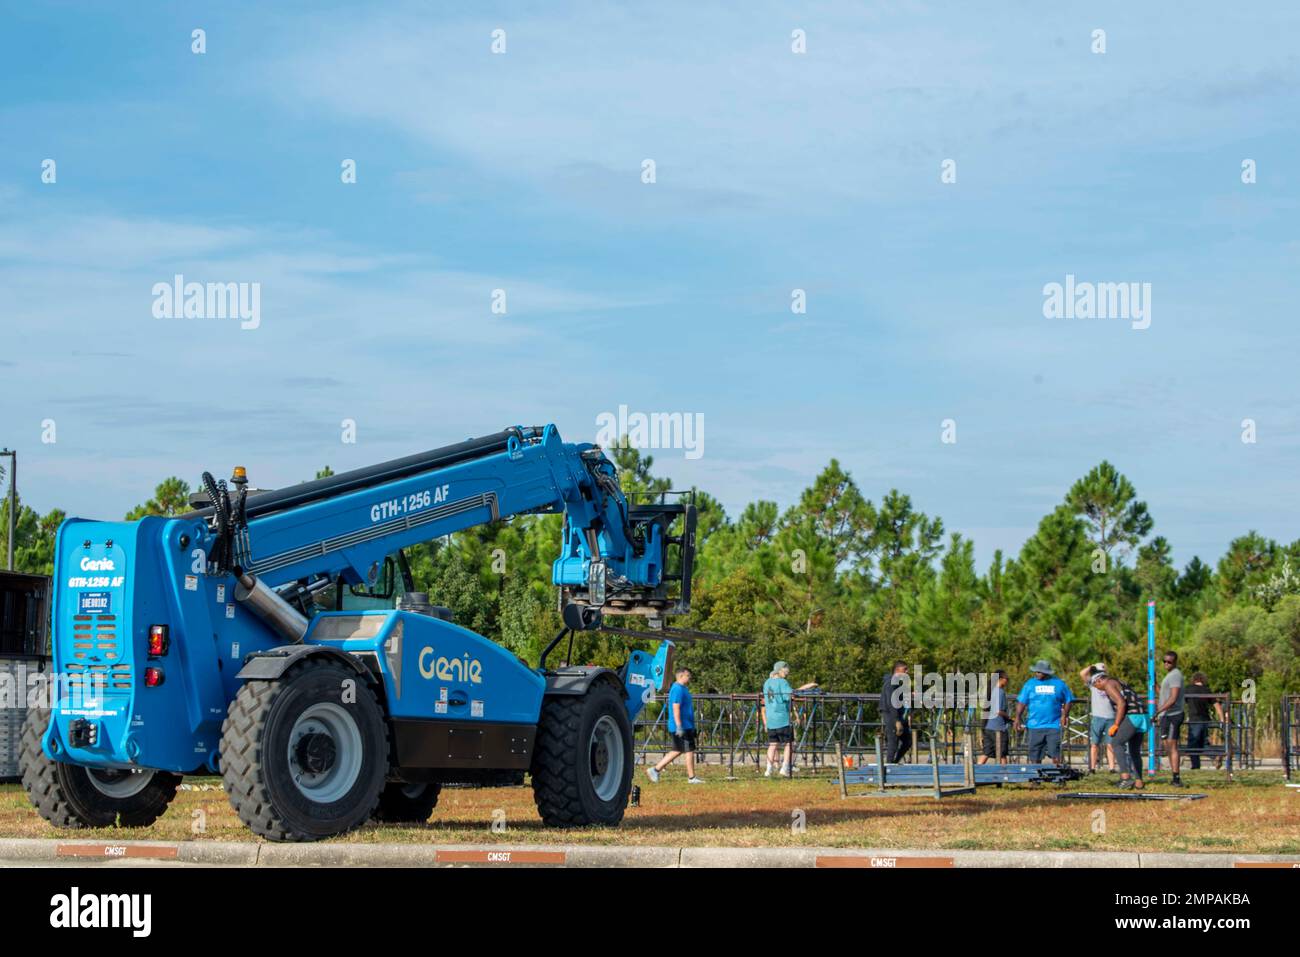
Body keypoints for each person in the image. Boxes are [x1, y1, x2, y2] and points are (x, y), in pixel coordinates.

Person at [1082, 666, 1148, 789]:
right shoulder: (1118, 681)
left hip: (1133, 715)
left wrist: (1116, 724)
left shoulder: (1108, 684)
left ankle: (1125, 778)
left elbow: (1121, 703)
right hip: (1142, 715)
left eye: (1096, 686)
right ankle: (1139, 782)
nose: (1098, 689)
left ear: (1099, 680)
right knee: (1134, 751)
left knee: (1116, 743)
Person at [761, 661, 818, 777]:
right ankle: (785, 768)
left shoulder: (767, 683)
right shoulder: (783, 682)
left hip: (771, 719)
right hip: (782, 718)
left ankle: (768, 770)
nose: (787, 673)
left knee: (772, 745)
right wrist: (805, 688)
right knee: (789, 744)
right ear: (780, 670)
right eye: (786, 670)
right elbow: (790, 695)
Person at [646, 667, 702, 784]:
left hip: (686, 725)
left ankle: (655, 770)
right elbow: (675, 707)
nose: (689, 676)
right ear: (681, 676)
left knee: (678, 750)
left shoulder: (682, 688)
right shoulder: (677, 689)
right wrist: (679, 726)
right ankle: (691, 778)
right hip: (682, 725)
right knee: (689, 750)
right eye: (688, 675)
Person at [1014, 660, 1073, 764]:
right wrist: (1017, 718)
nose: (1037, 674)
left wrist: (1065, 715)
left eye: (1040, 672)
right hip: (1034, 725)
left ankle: (1058, 776)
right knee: (1035, 754)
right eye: (1036, 671)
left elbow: (1068, 700)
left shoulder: (1059, 684)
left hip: (1054, 725)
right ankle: (1036, 776)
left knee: (1056, 753)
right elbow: (1022, 702)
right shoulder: (1029, 684)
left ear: (1047, 673)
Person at [1079, 662, 1118, 774]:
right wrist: (1091, 666)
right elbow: (1082, 674)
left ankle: (1112, 768)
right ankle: (1092, 768)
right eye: (1099, 672)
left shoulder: (1110, 681)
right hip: (1098, 716)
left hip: (1111, 716)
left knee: (1110, 744)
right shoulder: (1093, 682)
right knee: (1094, 744)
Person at [1184, 672, 1225, 771]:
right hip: (1205, 720)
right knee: (1203, 744)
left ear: (1194, 680)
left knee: (1192, 744)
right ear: (1203, 680)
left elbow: (1180, 702)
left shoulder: (1188, 689)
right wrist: (1222, 718)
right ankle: (1215, 756)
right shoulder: (1207, 690)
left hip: (1194, 720)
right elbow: (1216, 705)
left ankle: (1196, 766)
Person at [1157, 651, 1186, 787]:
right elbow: (1164, 694)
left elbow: (1173, 698)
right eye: (1164, 661)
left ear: (1175, 662)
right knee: (1167, 746)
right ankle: (1173, 775)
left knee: (1172, 745)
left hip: (1173, 715)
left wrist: (1157, 711)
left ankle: (1176, 778)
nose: (1166, 664)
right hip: (1165, 715)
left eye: (1169, 662)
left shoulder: (1175, 675)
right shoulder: (1169, 676)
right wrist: (1155, 685)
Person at [879, 660, 912, 764]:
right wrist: (897, 721)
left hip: (898, 715)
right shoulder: (890, 683)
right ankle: (888, 766)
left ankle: (894, 762)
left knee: (907, 741)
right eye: (905, 669)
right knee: (893, 742)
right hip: (891, 715)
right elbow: (891, 703)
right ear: (897, 670)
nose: (907, 672)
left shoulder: (897, 683)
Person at [978, 670, 1011, 765]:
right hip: (998, 728)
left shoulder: (991, 691)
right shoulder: (1000, 692)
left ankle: (975, 772)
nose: (1007, 681)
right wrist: (1009, 718)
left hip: (989, 727)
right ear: (1000, 679)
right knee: (1002, 754)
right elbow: (999, 711)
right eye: (1006, 679)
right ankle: (1005, 775)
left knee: (986, 753)